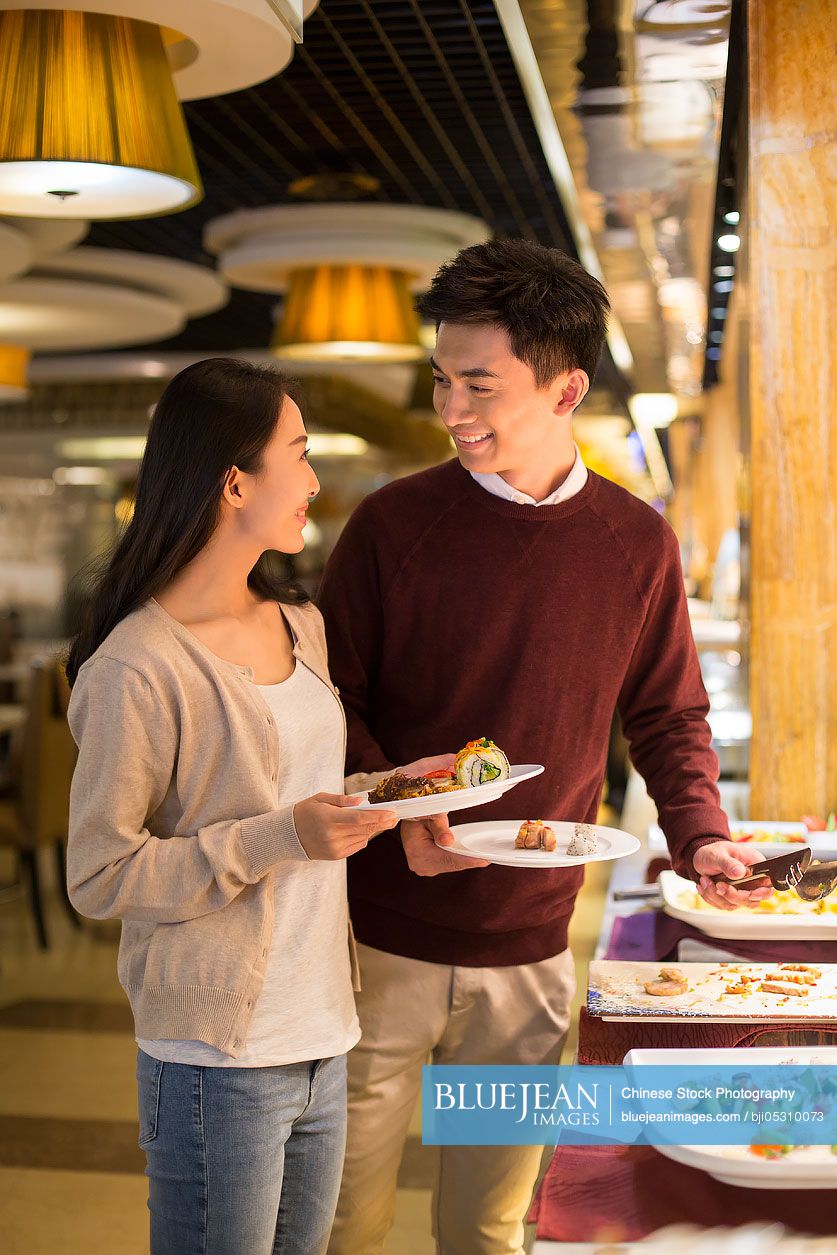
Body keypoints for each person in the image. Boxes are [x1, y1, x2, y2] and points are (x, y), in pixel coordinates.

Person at [317, 239, 771, 1255]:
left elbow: (666, 711)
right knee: (340, 1218)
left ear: (566, 388)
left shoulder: (633, 540)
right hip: (373, 944)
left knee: (486, 1225)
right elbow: (321, 699)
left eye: (479, 383)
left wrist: (700, 833)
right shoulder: (393, 526)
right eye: (441, 378)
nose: (451, 407)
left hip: (528, 953)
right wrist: (401, 811)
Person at [63, 358, 447, 1255]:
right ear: (235, 481)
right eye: (299, 454)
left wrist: (400, 791)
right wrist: (282, 837)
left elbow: (303, 797)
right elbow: (99, 871)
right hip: (214, 1059)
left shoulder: (297, 621)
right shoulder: (137, 665)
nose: (314, 479)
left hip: (321, 1028)